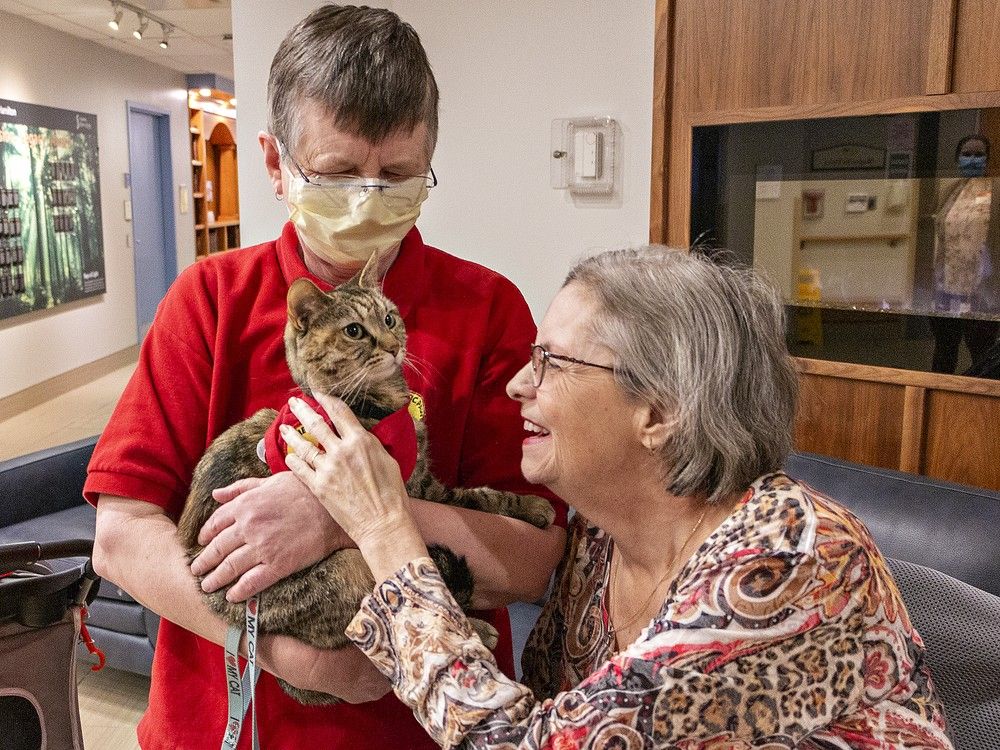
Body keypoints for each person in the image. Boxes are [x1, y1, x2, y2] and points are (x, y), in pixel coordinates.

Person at [85, 5, 566, 749]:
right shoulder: (208, 301)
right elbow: (120, 537)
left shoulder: (488, 308)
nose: (370, 198)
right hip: (222, 724)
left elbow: (532, 559)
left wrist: (342, 514)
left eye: (399, 175)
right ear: (276, 163)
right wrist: (286, 655)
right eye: (339, 173)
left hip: (428, 727)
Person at [284, 247, 953, 748]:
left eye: (551, 362)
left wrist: (381, 524)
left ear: (659, 411)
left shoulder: (793, 560)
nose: (519, 383)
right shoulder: (599, 544)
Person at [930, 133, 1000, 374]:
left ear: (988, 159)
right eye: (967, 155)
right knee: (944, 350)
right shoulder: (949, 191)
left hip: (982, 289)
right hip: (947, 287)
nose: (972, 159)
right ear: (958, 158)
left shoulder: (995, 191)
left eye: (978, 155)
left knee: (982, 353)